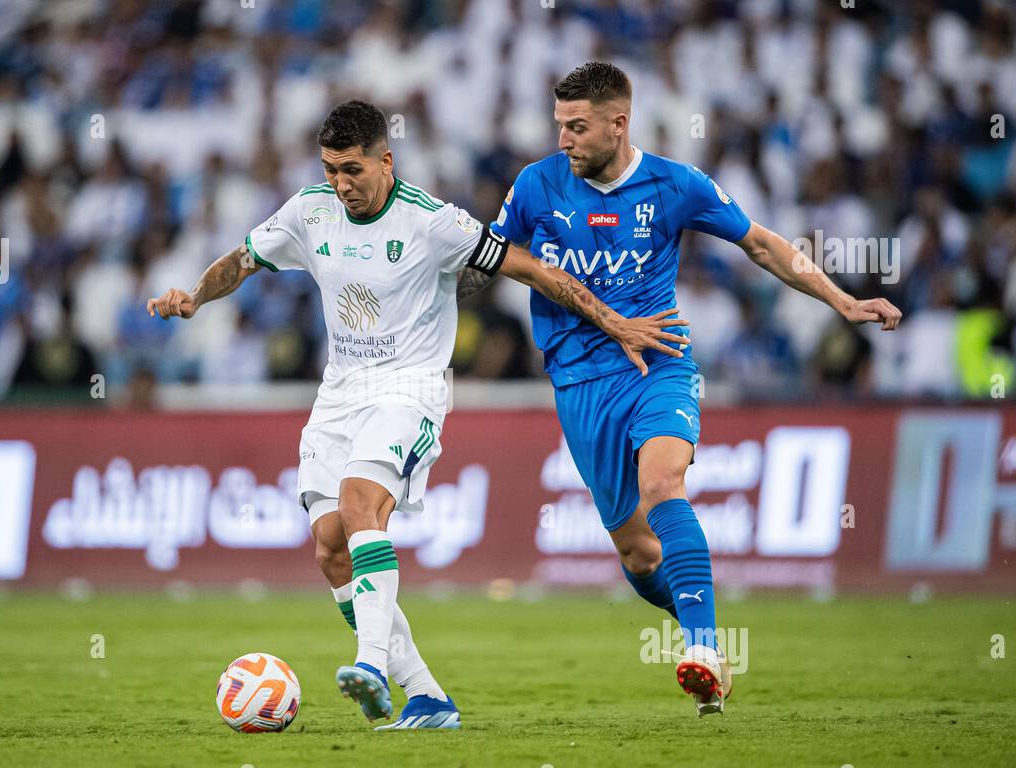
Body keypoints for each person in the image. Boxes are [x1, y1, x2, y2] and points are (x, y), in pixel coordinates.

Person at [149, 99, 686, 730]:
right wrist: (195, 296)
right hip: (338, 392)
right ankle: (427, 697)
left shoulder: (434, 223)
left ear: (386, 159)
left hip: (410, 388)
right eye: (330, 170)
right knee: (330, 550)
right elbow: (242, 261)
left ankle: (371, 665)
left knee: (358, 506)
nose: (341, 184)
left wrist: (612, 319)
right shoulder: (309, 211)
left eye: (352, 169)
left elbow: (532, 269)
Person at [470, 62, 901, 716]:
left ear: (619, 122)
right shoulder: (535, 185)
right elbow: (495, 256)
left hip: (657, 360)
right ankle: (696, 623)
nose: (564, 139)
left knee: (664, 485)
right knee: (639, 554)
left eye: (578, 127)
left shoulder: (674, 185)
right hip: (578, 379)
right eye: (560, 125)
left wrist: (840, 300)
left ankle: (703, 647)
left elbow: (761, 243)